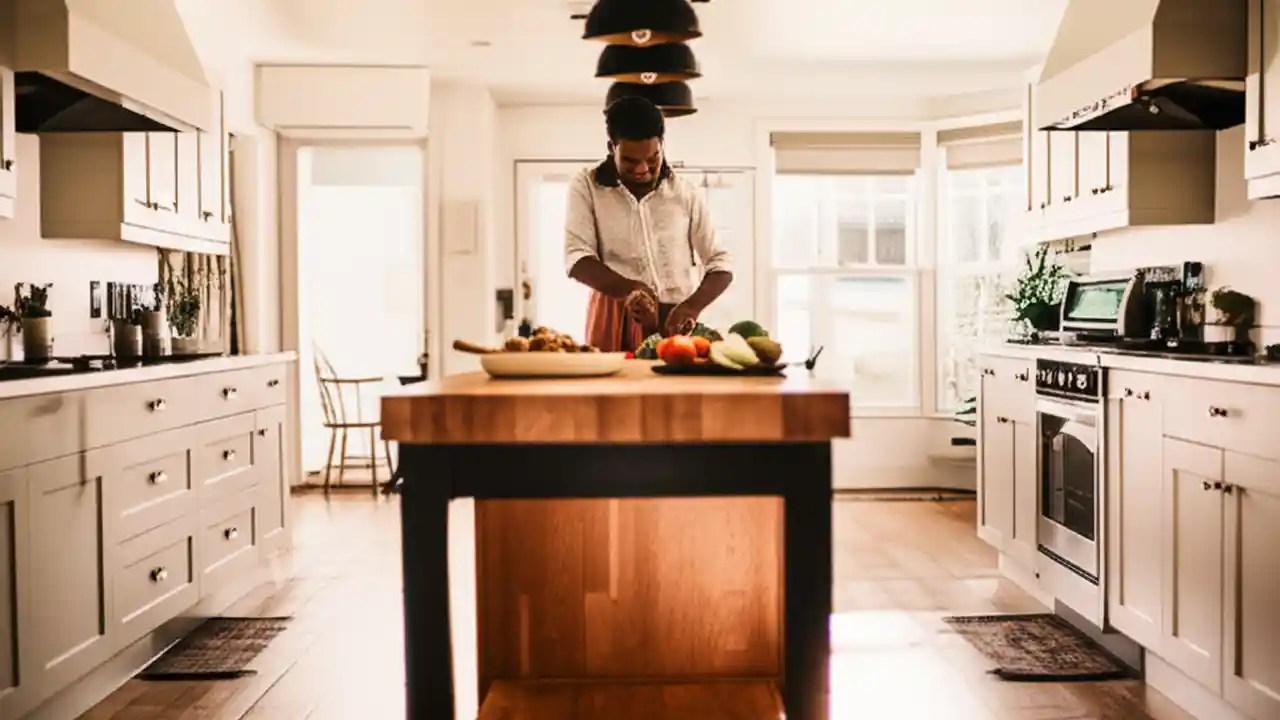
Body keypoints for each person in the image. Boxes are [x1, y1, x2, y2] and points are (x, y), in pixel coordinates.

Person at [564, 96, 732, 352]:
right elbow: (576, 258)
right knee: (613, 391)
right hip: (614, 314)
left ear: (662, 145)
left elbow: (721, 263)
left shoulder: (685, 193)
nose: (643, 169)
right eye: (631, 161)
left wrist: (691, 306)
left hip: (676, 320)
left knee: (676, 392)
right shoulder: (587, 186)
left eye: (653, 158)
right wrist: (631, 290)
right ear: (612, 147)